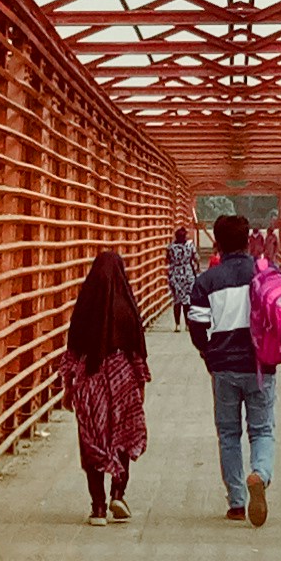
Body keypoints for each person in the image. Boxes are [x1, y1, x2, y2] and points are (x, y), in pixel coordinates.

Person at [185, 211, 279, 527]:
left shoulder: (206, 281)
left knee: (228, 433)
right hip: (261, 365)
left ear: (219, 245)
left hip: (224, 366)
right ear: (248, 241)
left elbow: (197, 326)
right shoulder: (265, 273)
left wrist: (208, 354)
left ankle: (237, 502)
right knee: (262, 429)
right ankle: (260, 474)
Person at [61, 249, 151, 524]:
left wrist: (68, 388)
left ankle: (98, 506)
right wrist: (140, 387)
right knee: (122, 437)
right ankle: (118, 495)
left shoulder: (85, 307)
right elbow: (138, 353)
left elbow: (72, 352)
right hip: (122, 381)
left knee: (92, 443)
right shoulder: (126, 307)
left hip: (91, 382)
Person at [165, 216, 204, 335]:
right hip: (187, 273)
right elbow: (196, 258)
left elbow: (167, 260)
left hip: (175, 274)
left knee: (177, 300)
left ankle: (177, 324)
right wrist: (197, 268)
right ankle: (187, 324)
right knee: (187, 300)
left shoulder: (170, 247)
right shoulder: (189, 246)